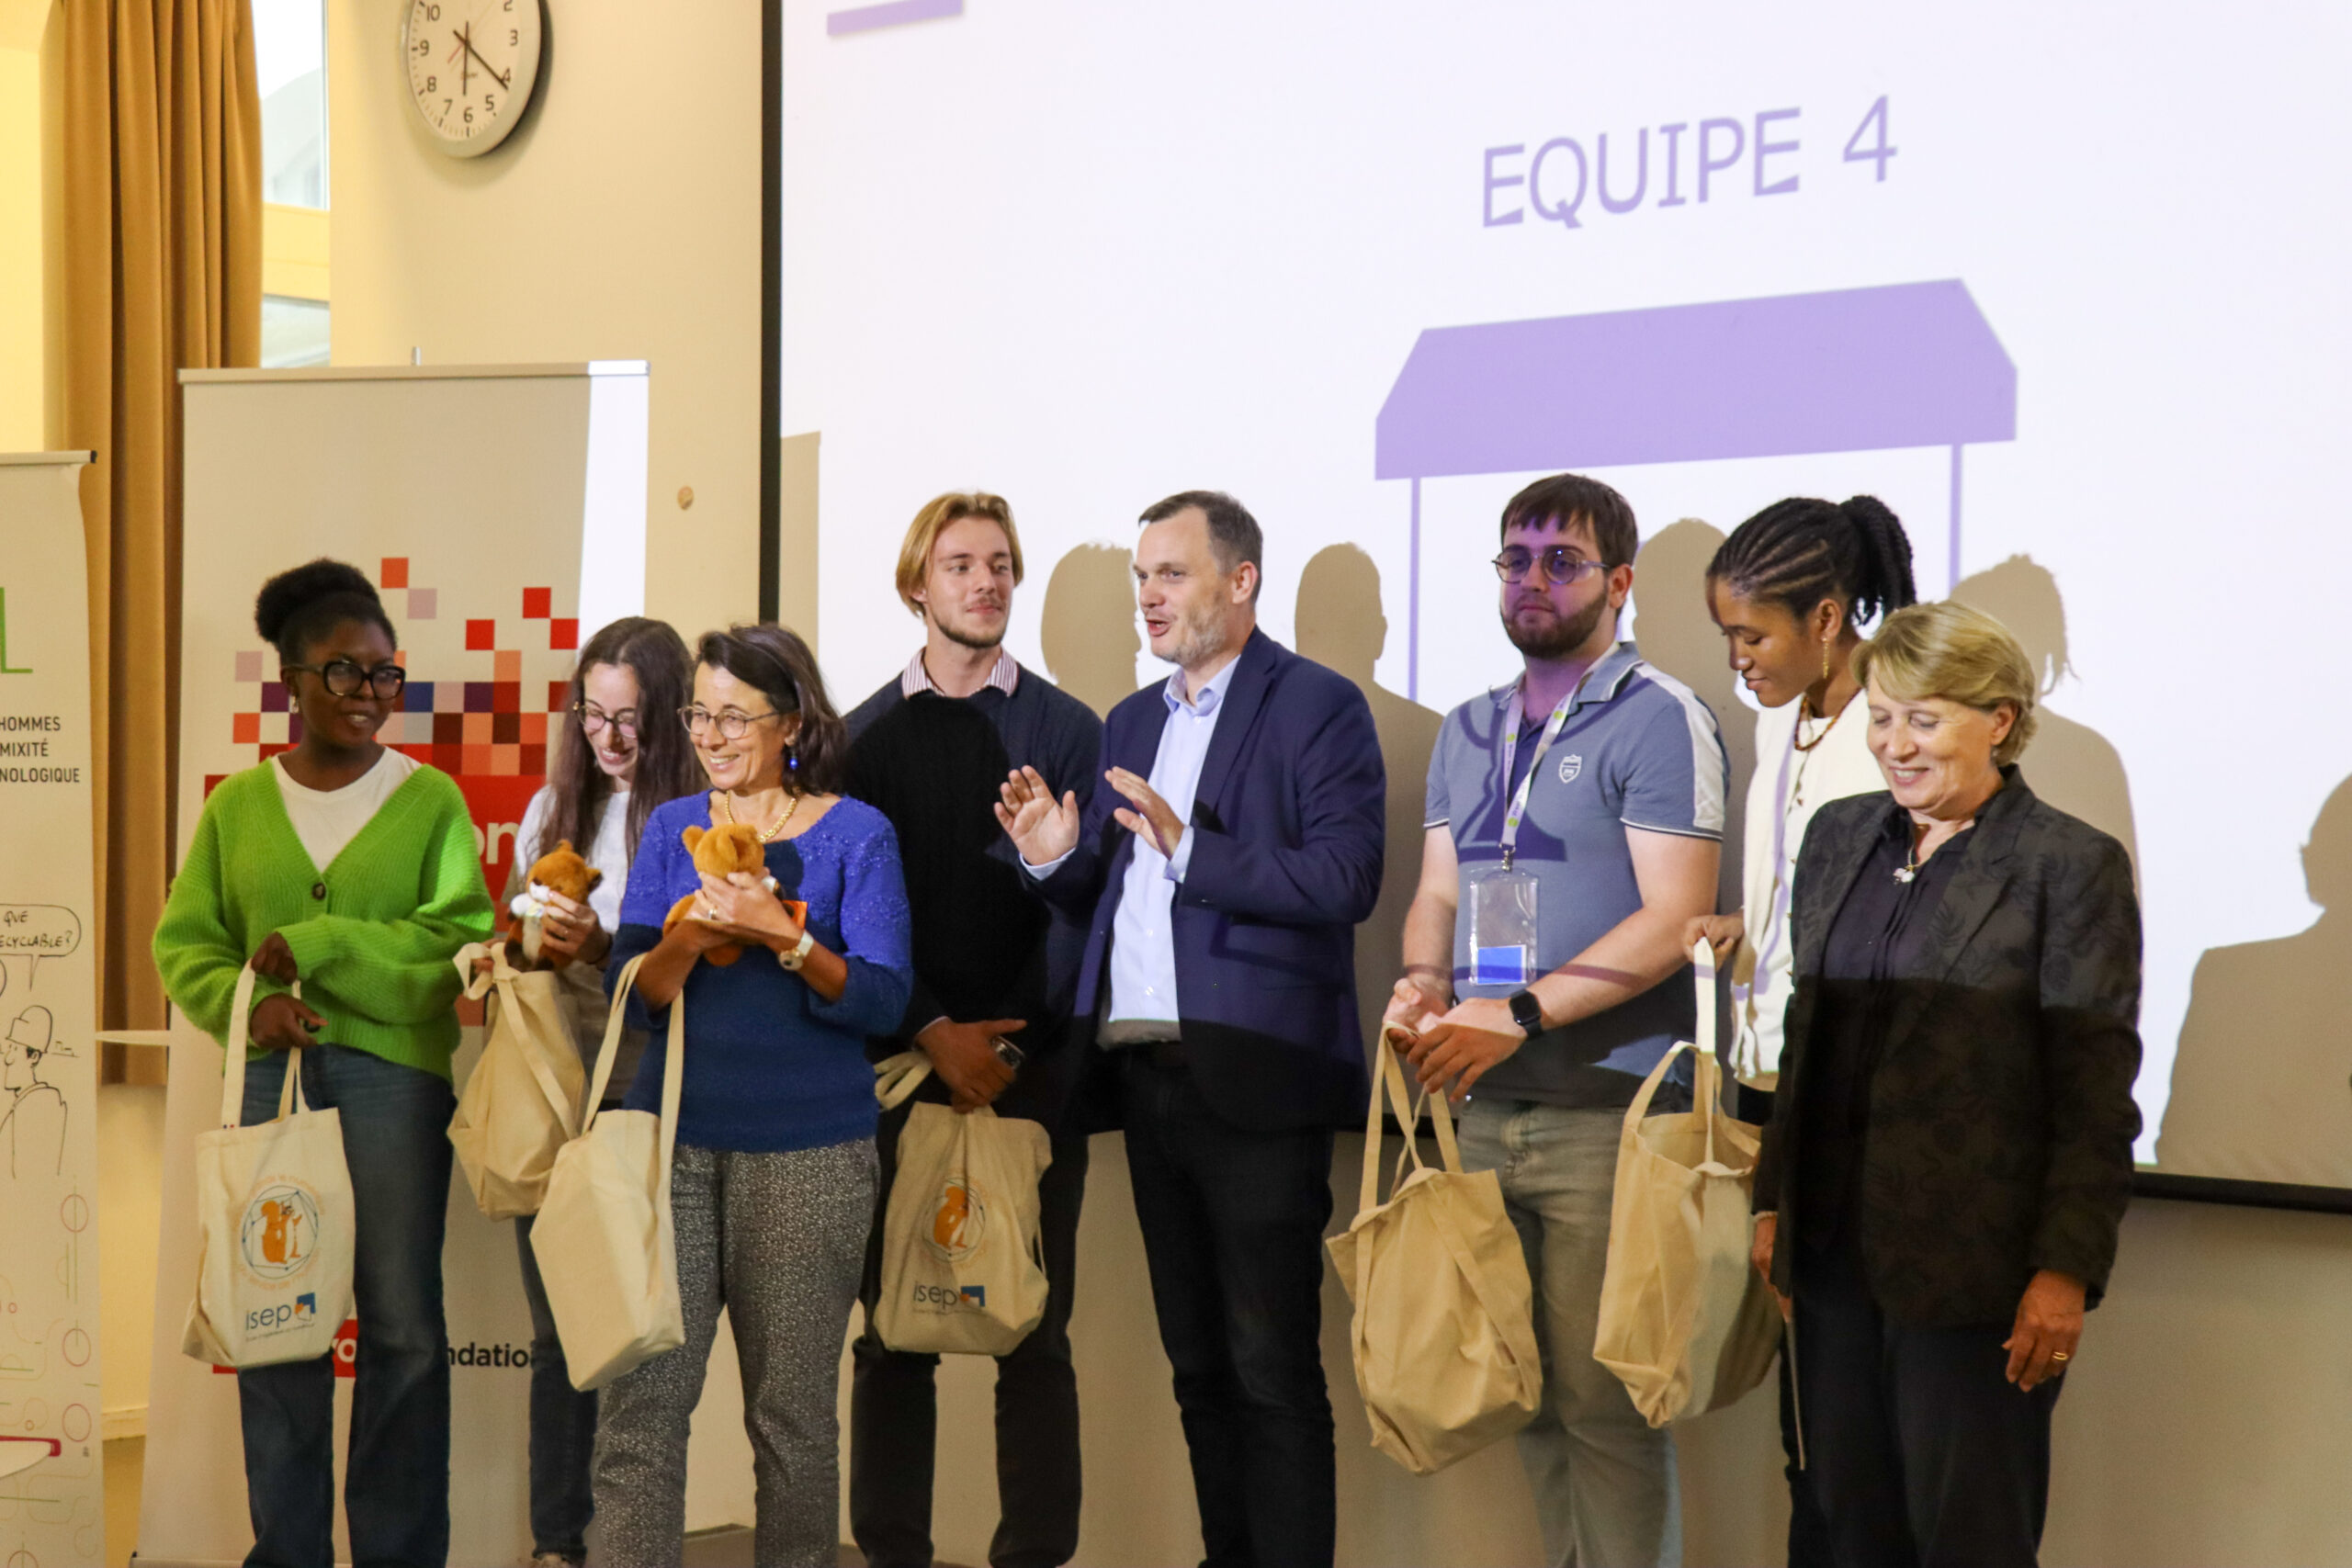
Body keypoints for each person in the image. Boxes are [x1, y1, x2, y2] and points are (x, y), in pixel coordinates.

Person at [996, 491, 1383, 1568]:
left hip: (1256, 1082)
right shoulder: (1130, 721)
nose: (1147, 598)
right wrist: (1048, 854)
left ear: (1240, 581)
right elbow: (1109, 896)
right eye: (1140, 578)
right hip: (1146, 1079)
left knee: (1270, 1371)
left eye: (1169, 574)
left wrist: (1194, 850)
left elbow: (1347, 877)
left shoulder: (1316, 707)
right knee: (1198, 1368)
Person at [1750, 601, 2142, 1568]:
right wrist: (1774, 1205)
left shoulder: (2068, 866)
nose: (1894, 744)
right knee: (1843, 1529)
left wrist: (2064, 1270)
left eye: (1923, 719)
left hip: (1977, 1279)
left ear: (1999, 719)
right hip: (1832, 1259)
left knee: (1969, 1540)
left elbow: (2095, 1090)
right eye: (1880, 718)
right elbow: (1807, 1040)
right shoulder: (1840, 837)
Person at [1386, 473, 1725, 1568]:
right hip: (1480, 1106)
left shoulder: (1660, 716)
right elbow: (1439, 891)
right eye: (1514, 559)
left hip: (1607, 1112)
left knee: (1606, 1412)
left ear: (1619, 582)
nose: (1532, 581)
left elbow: (1676, 916)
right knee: (1526, 1396)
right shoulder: (1470, 726)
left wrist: (1520, 1012)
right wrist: (1422, 985)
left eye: (1561, 561)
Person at [153, 559, 495, 1568]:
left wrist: (328, 944)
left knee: (403, 1330)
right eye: (343, 673)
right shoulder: (237, 810)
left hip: (394, 1084)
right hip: (269, 1087)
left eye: (386, 674)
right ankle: (289, 1553)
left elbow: (454, 945)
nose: (369, 695)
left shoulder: (429, 803)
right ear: (291, 683)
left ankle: (397, 1553)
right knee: (278, 1322)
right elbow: (186, 946)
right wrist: (249, 1009)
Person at [591, 623, 913, 1568]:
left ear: (793, 724)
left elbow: (884, 997)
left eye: (736, 715)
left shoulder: (859, 834)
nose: (712, 734)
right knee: (640, 1410)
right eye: (699, 713)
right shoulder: (669, 827)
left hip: (813, 1154)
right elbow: (632, 998)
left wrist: (784, 935)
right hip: (671, 1146)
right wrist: (690, 931)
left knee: (792, 1421)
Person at [844, 492, 1104, 1568]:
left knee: (1033, 1339)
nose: (986, 582)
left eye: (1000, 563)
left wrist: (1005, 1050)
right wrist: (931, 1032)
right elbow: (849, 917)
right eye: (960, 565)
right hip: (900, 1074)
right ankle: (892, 1551)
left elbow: (1091, 907)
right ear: (917, 586)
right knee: (895, 1335)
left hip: (1032, 1077)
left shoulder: (1068, 729)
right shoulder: (859, 738)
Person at [1683, 494, 1918, 1567]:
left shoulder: (1905, 724)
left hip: (1863, 1112)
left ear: (1827, 616)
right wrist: (1751, 928)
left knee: (1864, 1432)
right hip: (1768, 1083)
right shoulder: (1782, 716)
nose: (1739, 661)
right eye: (1728, 635)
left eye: (1754, 635)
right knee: (1808, 1426)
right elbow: (1807, 887)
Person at [495, 616, 701, 1568]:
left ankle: (628, 1537)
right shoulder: (553, 810)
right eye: (594, 716)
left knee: (633, 1322)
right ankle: (556, 1542)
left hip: (652, 1080)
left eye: (634, 720)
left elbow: (700, 966)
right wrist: (527, 941)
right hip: (554, 1075)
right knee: (557, 1321)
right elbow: (522, 942)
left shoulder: (699, 815)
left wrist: (608, 946)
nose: (611, 740)